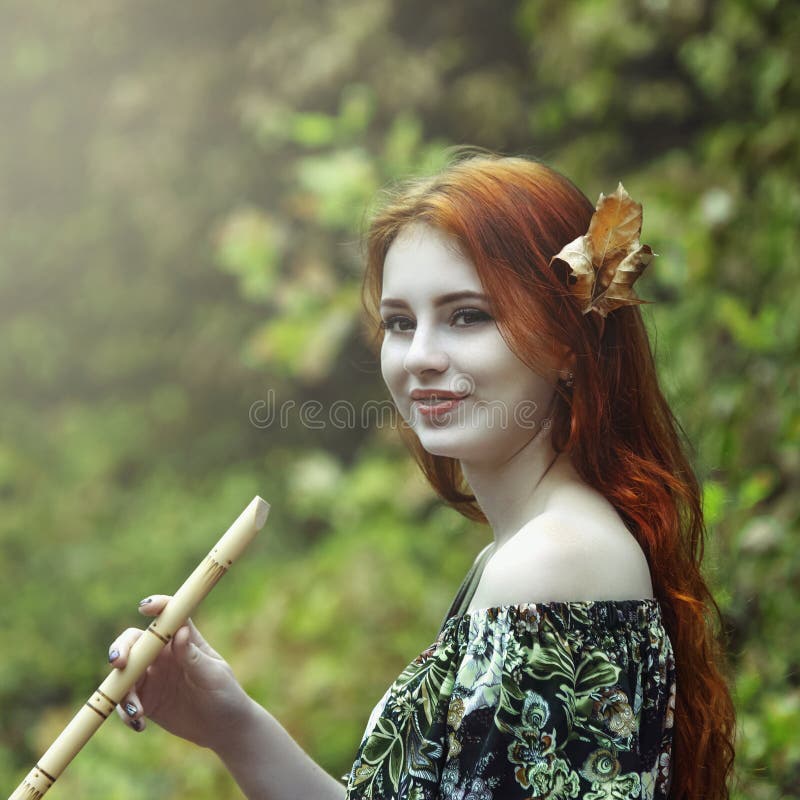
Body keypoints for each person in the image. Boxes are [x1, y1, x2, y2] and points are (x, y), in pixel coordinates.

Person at [108, 152, 737, 800]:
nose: (421, 357)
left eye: (467, 315)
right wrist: (230, 723)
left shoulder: (555, 563)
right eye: (401, 323)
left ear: (569, 343)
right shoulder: (518, 557)